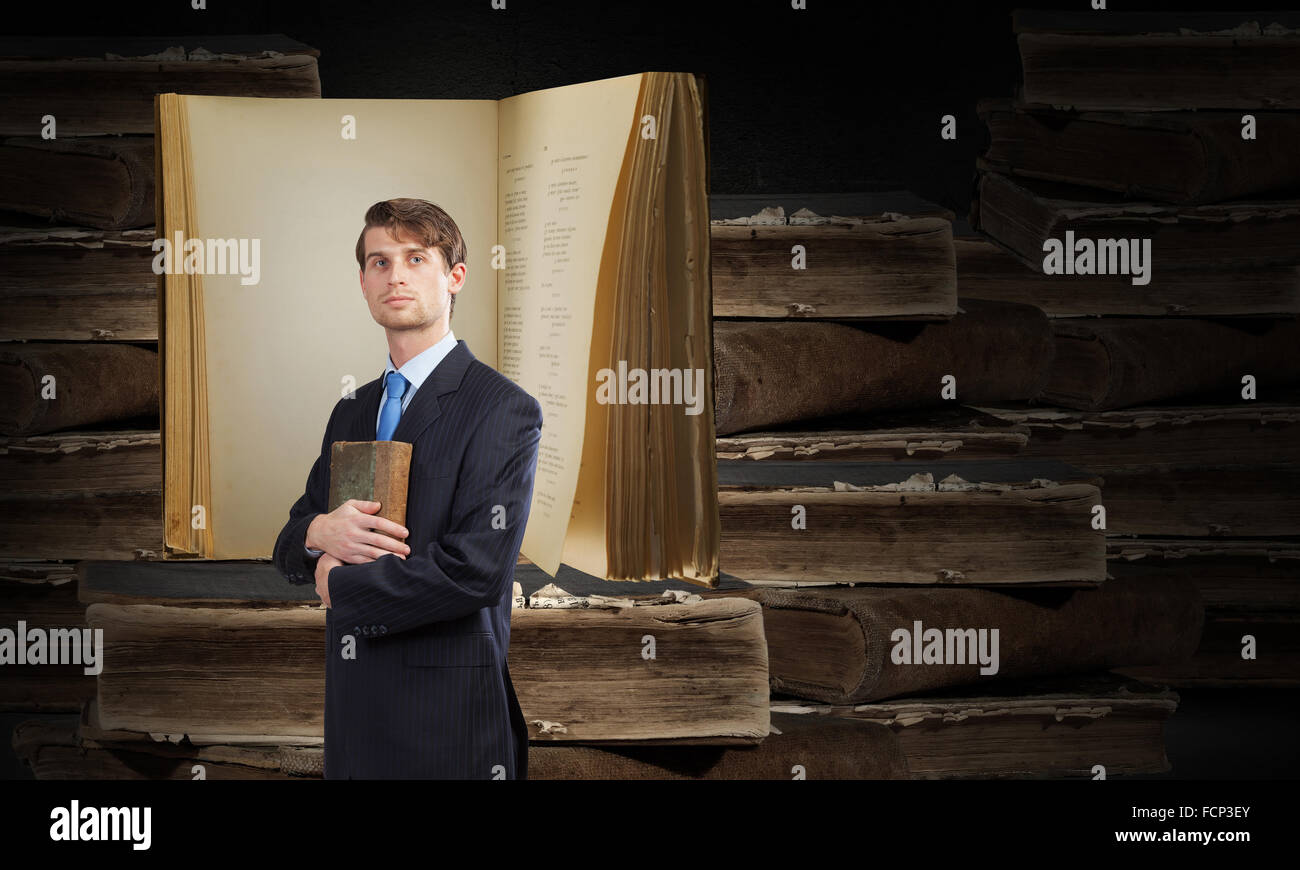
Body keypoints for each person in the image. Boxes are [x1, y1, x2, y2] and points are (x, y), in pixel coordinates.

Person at [272, 197, 542, 779]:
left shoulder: (502, 408)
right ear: (364, 284)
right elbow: (290, 540)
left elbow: (476, 569)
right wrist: (319, 532)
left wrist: (340, 588)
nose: (395, 275)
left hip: (448, 722)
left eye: (416, 258)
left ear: (454, 278)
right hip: (353, 718)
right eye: (379, 262)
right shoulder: (351, 408)